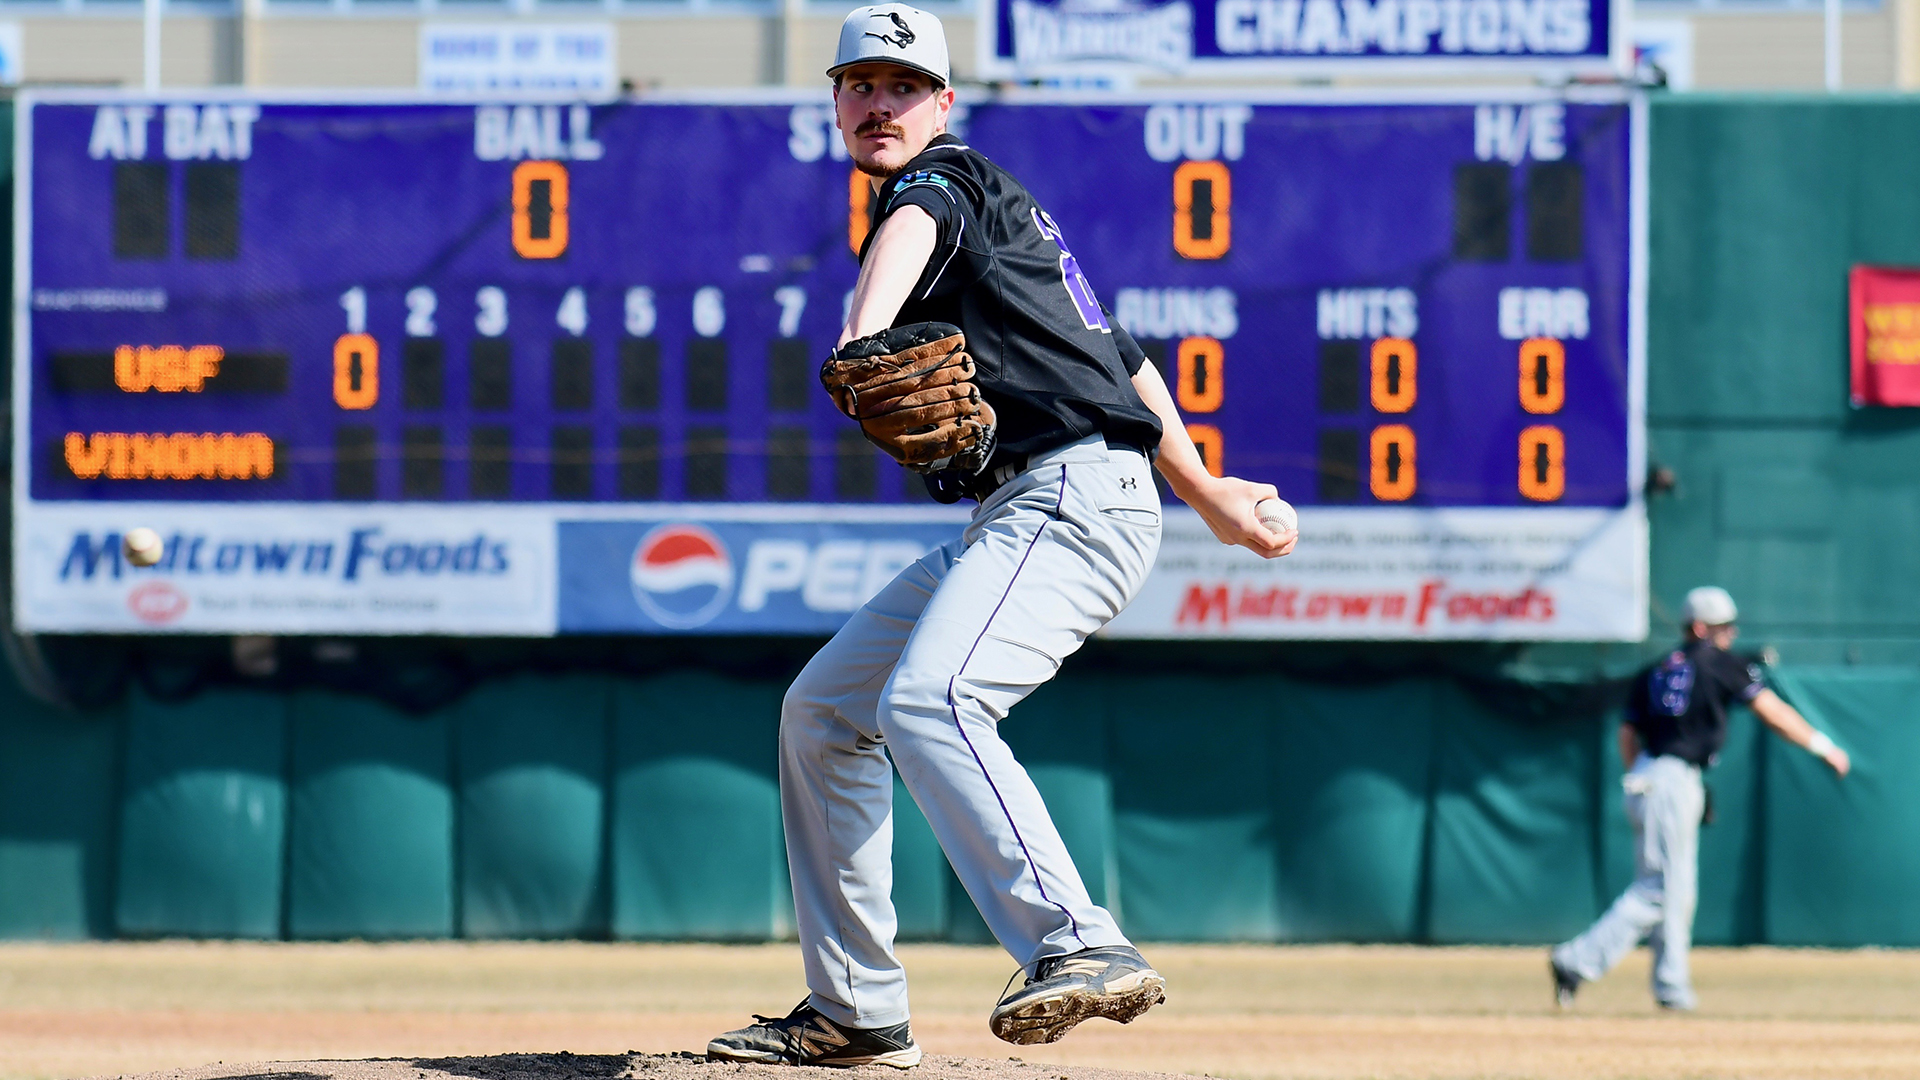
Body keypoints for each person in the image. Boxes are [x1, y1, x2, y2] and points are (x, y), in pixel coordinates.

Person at [706, 4, 1296, 1068]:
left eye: (901, 86)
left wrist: (863, 330)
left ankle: (1080, 943)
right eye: (859, 84)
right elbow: (1117, 352)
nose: (877, 103)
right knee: (825, 712)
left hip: (1069, 500)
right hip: (1031, 507)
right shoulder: (1013, 230)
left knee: (931, 700)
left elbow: (913, 223)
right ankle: (858, 1012)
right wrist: (1208, 493)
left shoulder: (948, 183)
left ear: (942, 103)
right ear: (836, 99)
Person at [1549, 586, 1851, 1011]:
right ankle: (1576, 960)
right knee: (1659, 889)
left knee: (1675, 889)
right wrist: (1823, 746)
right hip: (1672, 779)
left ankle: (1671, 987)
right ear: (1699, 628)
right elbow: (1773, 712)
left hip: (1648, 776)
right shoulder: (1721, 664)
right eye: (1722, 627)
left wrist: (1641, 776)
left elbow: (1626, 735)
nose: (1729, 635)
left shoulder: (1653, 670)